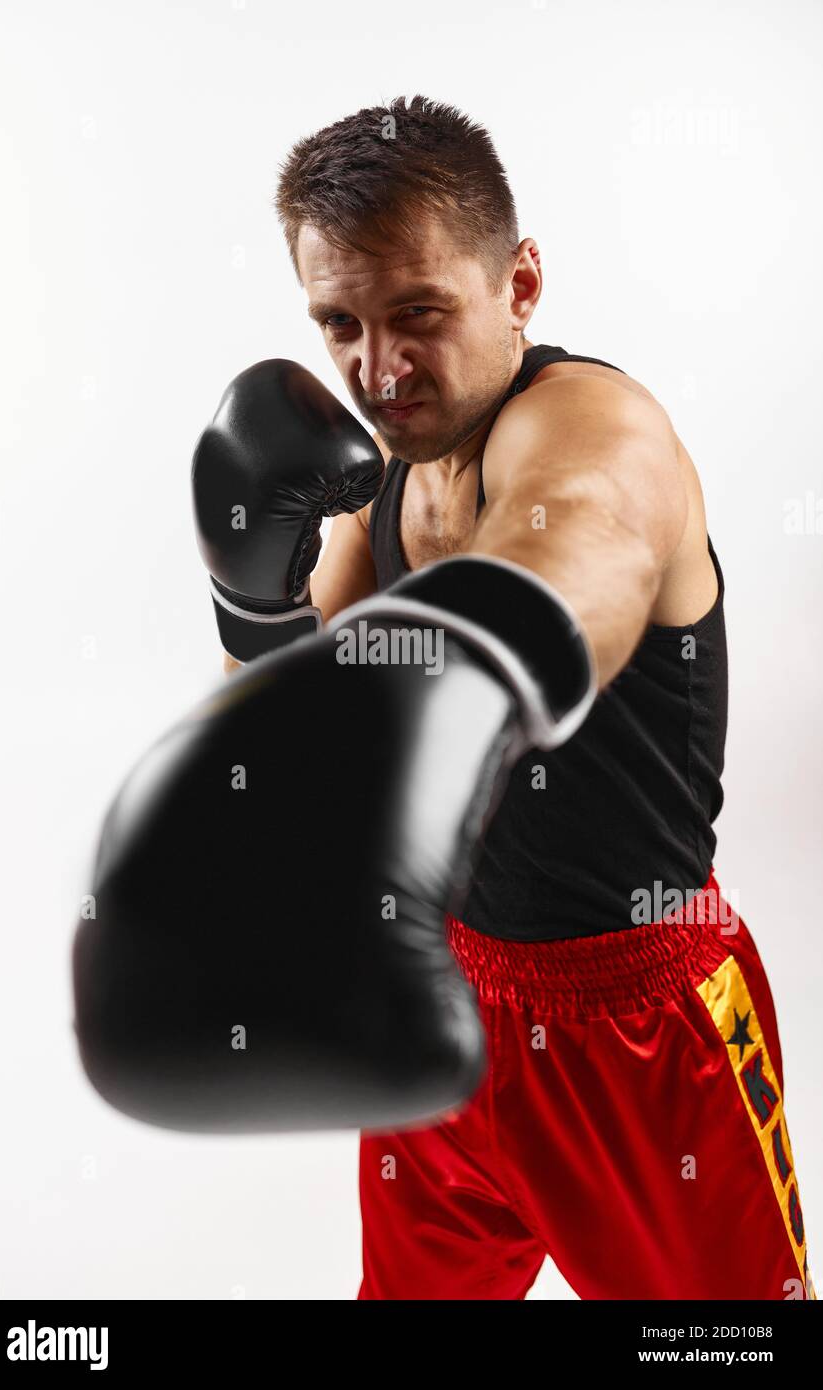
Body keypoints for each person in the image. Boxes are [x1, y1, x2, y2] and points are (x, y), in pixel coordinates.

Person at [74, 95, 814, 1301]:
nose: (379, 370)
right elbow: (277, 746)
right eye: (340, 326)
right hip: (449, 995)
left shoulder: (595, 425)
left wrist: (471, 668)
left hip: (642, 1026)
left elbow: (584, 539)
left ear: (519, 283)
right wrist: (251, 607)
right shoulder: (379, 486)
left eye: (417, 314)